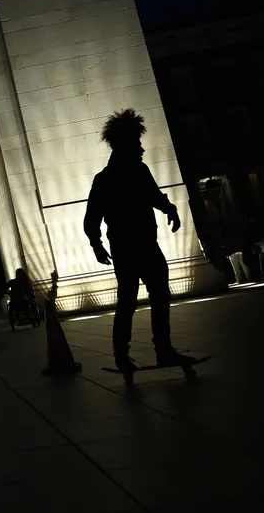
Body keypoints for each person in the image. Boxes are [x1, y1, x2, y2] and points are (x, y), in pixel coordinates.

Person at [84, 109, 192, 373]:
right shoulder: (136, 172)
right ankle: (162, 350)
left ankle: (122, 355)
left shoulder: (105, 179)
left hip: (124, 248)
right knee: (157, 296)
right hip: (143, 245)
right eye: (137, 144)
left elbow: (92, 217)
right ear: (127, 145)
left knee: (128, 300)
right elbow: (154, 196)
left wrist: (97, 244)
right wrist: (169, 209)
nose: (142, 149)